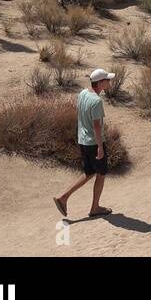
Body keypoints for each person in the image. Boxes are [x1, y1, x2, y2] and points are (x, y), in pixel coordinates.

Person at [54, 69, 115, 218]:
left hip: (83, 140)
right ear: (100, 82)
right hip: (93, 143)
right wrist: (100, 147)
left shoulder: (83, 93)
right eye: (107, 80)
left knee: (89, 173)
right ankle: (95, 208)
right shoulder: (96, 101)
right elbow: (97, 126)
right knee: (101, 174)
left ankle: (63, 197)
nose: (109, 82)